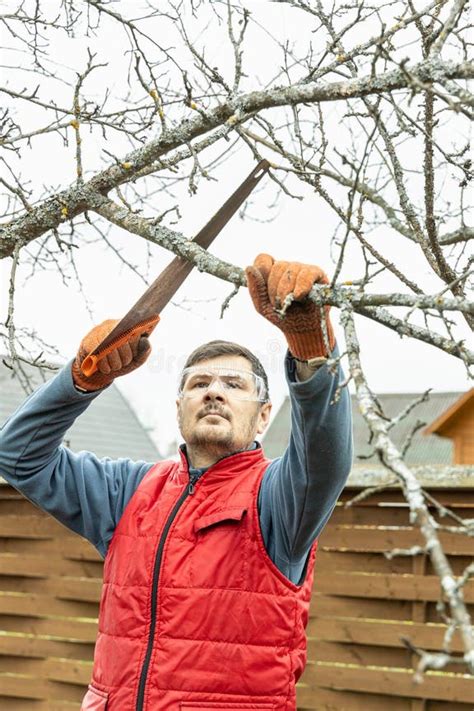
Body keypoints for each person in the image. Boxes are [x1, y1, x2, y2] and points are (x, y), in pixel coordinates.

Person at [0, 254, 353, 711]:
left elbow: (325, 458)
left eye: (235, 384)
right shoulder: (128, 492)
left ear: (264, 415)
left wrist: (312, 350)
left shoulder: (278, 499)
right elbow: (18, 455)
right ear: (179, 406)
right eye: (199, 382)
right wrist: (81, 381)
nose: (213, 391)